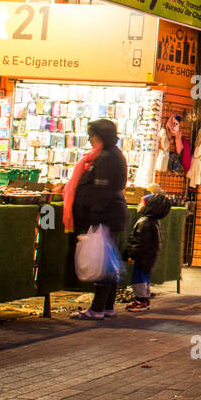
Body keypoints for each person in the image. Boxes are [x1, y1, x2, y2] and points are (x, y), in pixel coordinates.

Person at [67, 119, 129, 320]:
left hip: (106, 216)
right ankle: (107, 306)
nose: (89, 139)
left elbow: (102, 190)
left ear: (101, 136)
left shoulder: (107, 157)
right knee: (108, 262)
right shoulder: (113, 155)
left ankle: (97, 308)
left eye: (92, 135)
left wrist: (96, 218)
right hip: (112, 215)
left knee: (102, 262)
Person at [123, 188, 171, 313]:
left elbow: (138, 242)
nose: (138, 205)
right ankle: (144, 299)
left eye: (141, 203)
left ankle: (141, 301)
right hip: (149, 258)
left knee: (138, 280)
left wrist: (131, 255)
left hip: (142, 258)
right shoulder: (154, 222)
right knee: (145, 279)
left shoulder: (144, 222)